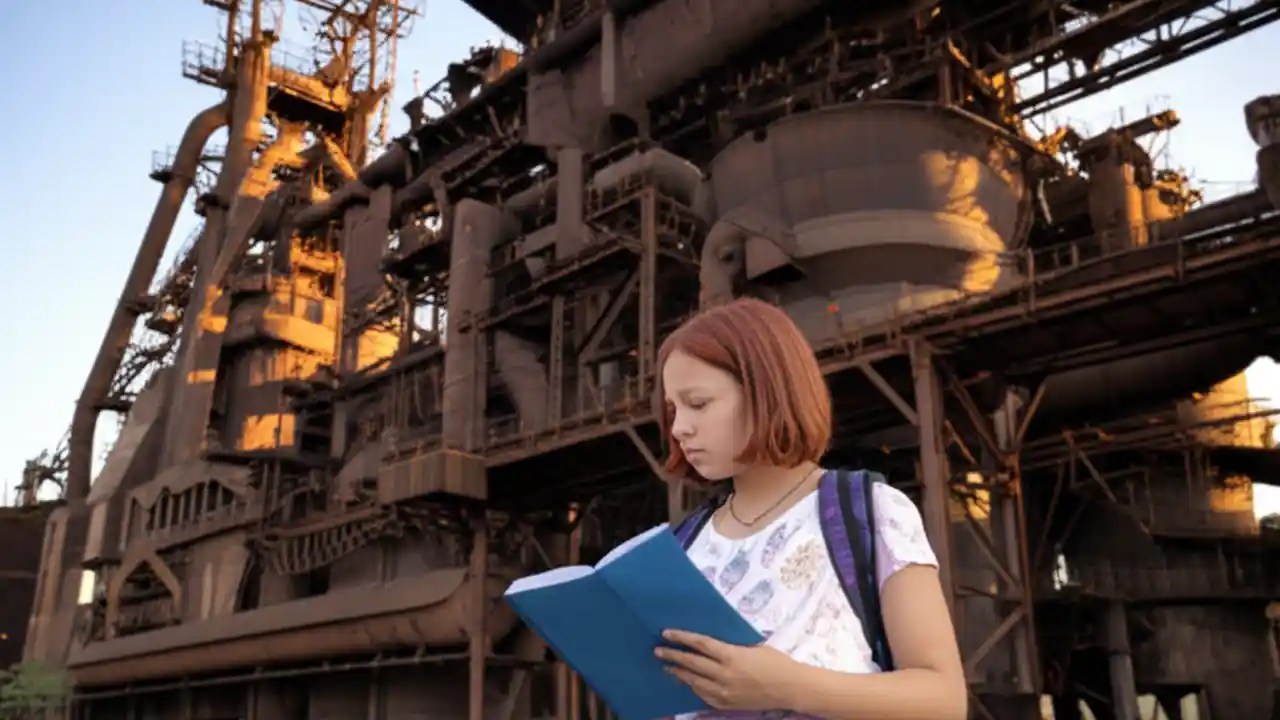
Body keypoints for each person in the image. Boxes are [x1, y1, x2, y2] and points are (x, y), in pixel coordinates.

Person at [653, 297, 966, 720]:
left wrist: (785, 686)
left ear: (766, 390)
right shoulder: (681, 549)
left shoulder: (871, 513)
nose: (678, 427)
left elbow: (944, 700)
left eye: (698, 403)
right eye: (672, 409)